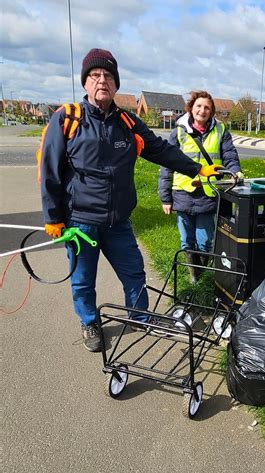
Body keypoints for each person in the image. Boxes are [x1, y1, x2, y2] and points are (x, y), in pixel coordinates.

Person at [40, 49, 221, 351]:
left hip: (119, 222)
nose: (102, 81)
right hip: (81, 222)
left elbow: (161, 150)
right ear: (85, 82)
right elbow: (49, 171)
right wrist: (52, 217)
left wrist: (198, 168)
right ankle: (89, 322)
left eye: (108, 76)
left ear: (116, 84)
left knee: (134, 272)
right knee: (83, 280)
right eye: (95, 75)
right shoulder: (67, 119)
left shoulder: (128, 121)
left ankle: (140, 317)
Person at [159, 90, 242, 281]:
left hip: (208, 194)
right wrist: (165, 197)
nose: (202, 110)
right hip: (182, 194)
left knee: (204, 242)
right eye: (198, 106)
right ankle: (193, 277)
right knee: (186, 240)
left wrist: (235, 172)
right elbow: (166, 164)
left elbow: (230, 156)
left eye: (207, 108)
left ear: (211, 111)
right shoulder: (179, 131)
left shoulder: (221, 131)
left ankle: (202, 276)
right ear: (191, 107)